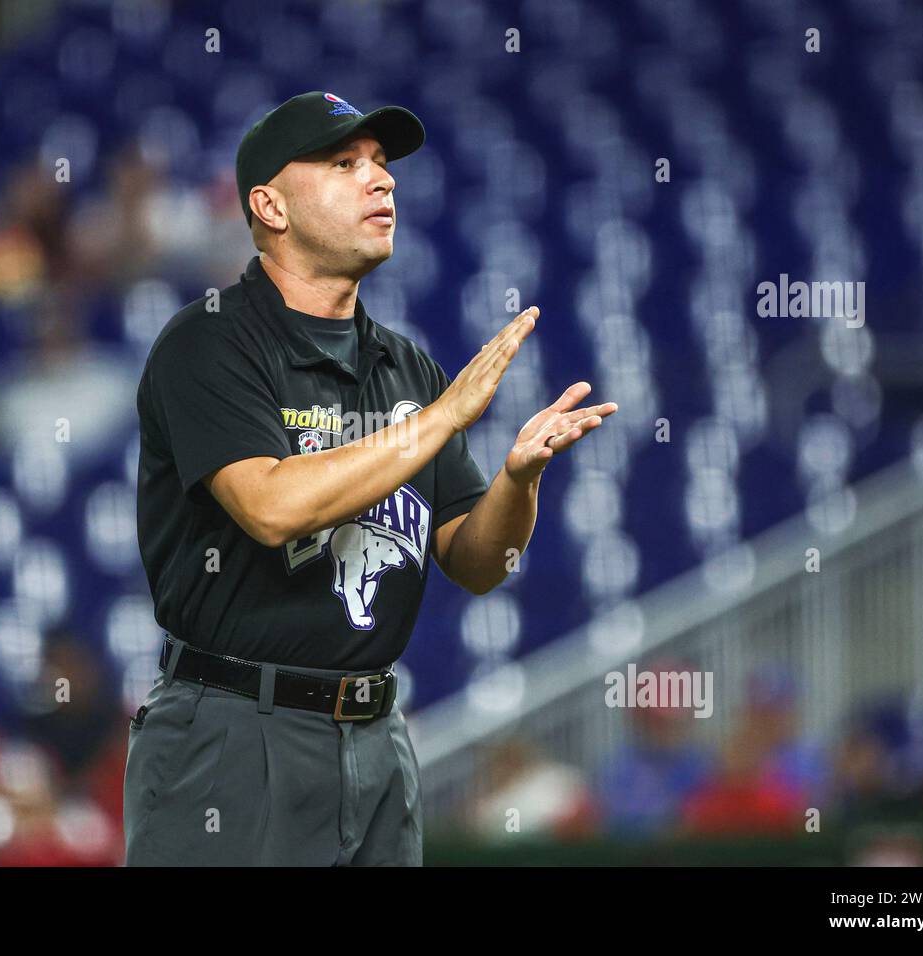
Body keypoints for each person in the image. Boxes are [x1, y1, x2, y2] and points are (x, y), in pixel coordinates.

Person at [126, 90, 617, 866]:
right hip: (232, 732)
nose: (381, 182)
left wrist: (517, 482)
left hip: (377, 733)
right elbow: (270, 506)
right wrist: (441, 419)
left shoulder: (403, 363)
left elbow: (476, 560)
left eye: (383, 167)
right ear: (270, 207)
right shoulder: (210, 342)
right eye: (344, 163)